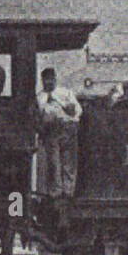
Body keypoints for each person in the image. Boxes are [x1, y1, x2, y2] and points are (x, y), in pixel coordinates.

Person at [38, 67, 80, 197]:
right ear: (43, 80)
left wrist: (60, 102)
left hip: (67, 127)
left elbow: (76, 110)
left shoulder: (66, 93)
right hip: (51, 130)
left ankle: (68, 190)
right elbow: (39, 114)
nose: (49, 82)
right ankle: (56, 190)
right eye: (46, 80)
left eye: (51, 79)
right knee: (54, 162)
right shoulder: (40, 97)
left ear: (55, 79)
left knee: (68, 161)